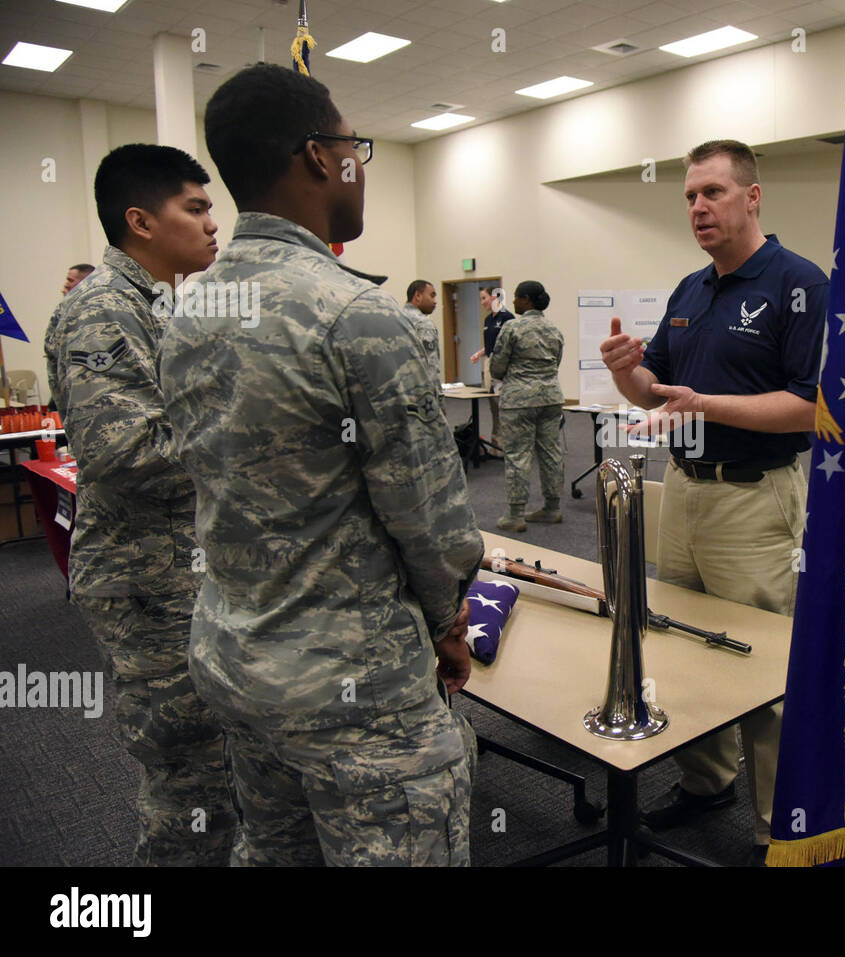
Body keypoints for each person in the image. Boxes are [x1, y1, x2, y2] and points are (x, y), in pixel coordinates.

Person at [159, 63, 482, 866]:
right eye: (354, 147)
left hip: (237, 660)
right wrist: (448, 619)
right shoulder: (359, 315)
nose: (360, 165)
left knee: (276, 851)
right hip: (354, 683)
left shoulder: (185, 312)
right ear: (316, 156)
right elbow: (433, 522)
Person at [599, 139, 828, 864]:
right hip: (684, 495)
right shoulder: (690, 290)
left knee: (765, 665)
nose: (699, 206)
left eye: (714, 193)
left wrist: (707, 404)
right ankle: (708, 781)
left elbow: (812, 406)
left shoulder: (799, 284)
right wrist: (627, 375)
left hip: (754, 501)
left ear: (752, 196)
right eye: (691, 196)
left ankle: (778, 825)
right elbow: (658, 394)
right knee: (682, 644)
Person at [43, 144, 238, 865]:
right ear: (140, 221)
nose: (214, 223)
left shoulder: (153, 304)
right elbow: (120, 454)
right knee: (191, 778)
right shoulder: (102, 309)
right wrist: (243, 431)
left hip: (178, 568)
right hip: (146, 582)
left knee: (215, 764)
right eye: (195, 206)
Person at [490, 280, 564, 531]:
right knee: (551, 453)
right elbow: (557, 362)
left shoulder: (512, 327)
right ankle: (552, 508)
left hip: (519, 401)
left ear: (527, 300)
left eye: (516, 298)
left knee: (518, 455)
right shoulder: (554, 329)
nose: (512, 302)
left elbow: (497, 367)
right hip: (551, 398)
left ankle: (515, 514)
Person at [470, 286, 513, 455]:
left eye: (484, 298)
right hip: (488, 364)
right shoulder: (488, 320)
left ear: (495, 298)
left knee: (502, 406)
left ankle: (506, 447)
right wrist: (479, 354)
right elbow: (490, 344)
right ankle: (496, 446)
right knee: (493, 407)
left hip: (502, 367)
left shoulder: (507, 318)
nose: (482, 303)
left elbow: (508, 344)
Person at [403, 279, 443, 401]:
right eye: (432, 296)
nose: (435, 302)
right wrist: (439, 400)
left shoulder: (396, 316)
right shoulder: (423, 323)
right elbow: (431, 367)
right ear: (418, 296)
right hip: (422, 397)